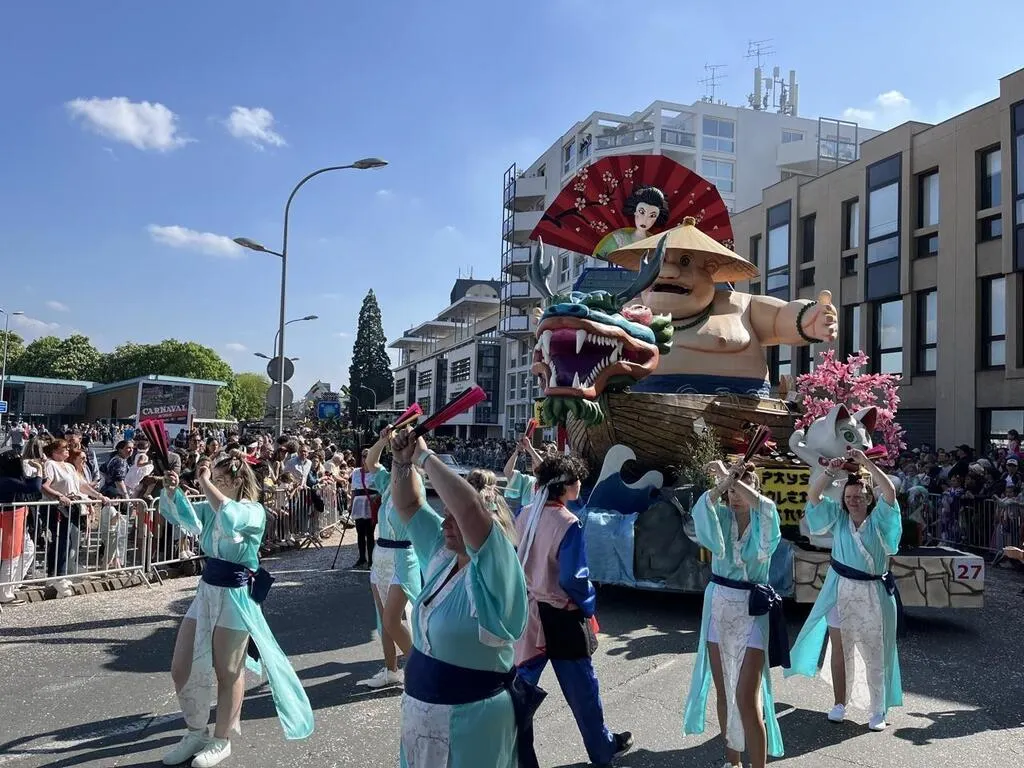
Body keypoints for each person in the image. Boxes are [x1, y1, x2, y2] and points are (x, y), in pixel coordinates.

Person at [388, 426, 538, 768]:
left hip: (473, 721)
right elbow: (410, 504)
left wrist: (425, 457)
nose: (445, 524)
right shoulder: (443, 555)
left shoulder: (498, 568)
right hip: (423, 715)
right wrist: (401, 462)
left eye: (453, 519)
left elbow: (470, 510)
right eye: (446, 517)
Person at [158, 452, 313, 767]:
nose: (214, 484)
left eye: (220, 480)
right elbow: (185, 519)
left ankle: (222, 738)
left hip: (236, 596)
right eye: (213, 479)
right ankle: (196, 732)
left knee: (228, 671)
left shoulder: (253, 511)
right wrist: (173, 491)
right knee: (181, 666)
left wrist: (202, 481)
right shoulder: (214, 507)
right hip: (206, 592)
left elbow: (231, 518)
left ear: (238, 481)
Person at [515, 453, 633, 767]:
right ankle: (602, 750)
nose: (580, 483)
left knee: (519, 696)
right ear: (566, 485)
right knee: (583, 693)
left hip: (529, 613)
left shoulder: (525, 513)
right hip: (562, 616)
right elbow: (572, 578)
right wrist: (588, 602)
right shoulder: (568, 522)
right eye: (577, 478)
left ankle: (521, 759)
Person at [785, 447, 902, 732]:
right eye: (848, 497)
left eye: (858, 497)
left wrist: (867, 463)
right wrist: (828, 471)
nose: (852, 501)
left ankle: (878, 708)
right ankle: (840, 702)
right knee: (840, 647)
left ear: (867, 498)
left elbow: (890, 493)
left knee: (875, 650)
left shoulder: (880, 519)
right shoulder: (838, 519)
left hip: (873, 591)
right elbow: (813, 497)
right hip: (841, 588)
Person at [682, 460, 784, 768]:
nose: (736, 493)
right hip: (719, 607)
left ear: (754, 488)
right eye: (732, 488)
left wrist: (732, 477)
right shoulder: (721, 517)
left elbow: (768, 511)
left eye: (745, 485)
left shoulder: (764, 517)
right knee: (724, 691)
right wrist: (723, 484)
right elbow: (701, 508)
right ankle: (733, 761)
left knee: (747, 699)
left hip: (752, 609)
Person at [358, 426, 423, 690]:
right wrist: (383, 440)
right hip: (381, 554)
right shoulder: (386, 481)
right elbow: (370, 461)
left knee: (392, 619)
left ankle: (421, 670)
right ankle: (391, 670)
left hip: (403, 555)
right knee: (383, 617)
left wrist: (411, 440)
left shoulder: (413, 482)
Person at [350, 446, 380, 569]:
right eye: (363, 456)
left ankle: (371, 561)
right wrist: (350, 504)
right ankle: (362, 558)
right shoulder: (356, 472)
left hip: (370, 506)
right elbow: (353, 490)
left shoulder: (377, 472)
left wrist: (376, 497)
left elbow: (381, 490)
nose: (365, 458)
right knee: (360, 533)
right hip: (358, 505)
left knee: (370, 533)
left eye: (367, 456)